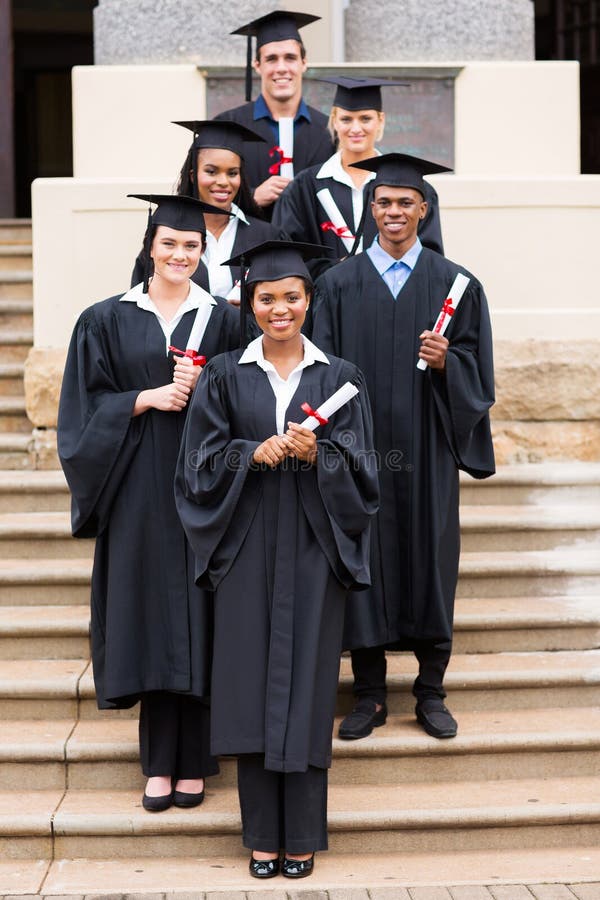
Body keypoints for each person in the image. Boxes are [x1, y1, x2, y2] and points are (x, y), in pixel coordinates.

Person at [175, 240, 378, 878]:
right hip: (246, 546)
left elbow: (368, 469)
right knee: (248, 689)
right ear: (249, 303)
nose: (279, 308)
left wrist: (324, 458)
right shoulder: (225, 375)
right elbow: (196, 463)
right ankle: (262, 836)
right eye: (267, 298)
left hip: (315, 550)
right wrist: (246, 453)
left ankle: (303, 837)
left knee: (310, 690)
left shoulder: (340, 378)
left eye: (292, 297)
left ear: (308, 301)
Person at [58, 194, 240, 813]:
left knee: (202, 616)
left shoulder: (224, 320)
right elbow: (84, 410)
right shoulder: (106, 319)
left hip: (207, 490)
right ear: (150, 246)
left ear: (203, 251)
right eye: (169, 244)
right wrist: (147, 398)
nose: (180, 255)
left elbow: (249, 398)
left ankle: (197, 762)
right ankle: (159, 765)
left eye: (191, 246)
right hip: (137, 488)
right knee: (153, 622)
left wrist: (206, 393)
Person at [311, 154, 495, 742]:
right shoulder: (335, 285)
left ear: (424, 208)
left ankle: (431, 691)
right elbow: (321, 372)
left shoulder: (457, 284)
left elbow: (481, 375)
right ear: (372, 209)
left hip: (427, 450)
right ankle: (368, 694)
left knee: (430, 561)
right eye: (384, 202)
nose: (394, 211)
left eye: (405, 202)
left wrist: (450, 365)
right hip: (360, 451)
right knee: (363, 562)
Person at [272, 76, 444, 280]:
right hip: (327, 303)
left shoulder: (412, 188)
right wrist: (337, 270)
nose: (355, 128)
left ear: (381, 120)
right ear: (334, 121)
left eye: (365, 118)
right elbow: (288, 258)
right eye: (346, 119)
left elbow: (430, 257)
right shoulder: (305, 187)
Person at [131, 120, 278, 303]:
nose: (223, 181)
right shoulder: (168, 235)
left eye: (232, 173)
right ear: (193, 175)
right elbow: (141, 302)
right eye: (211, 171)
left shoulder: (265, 236)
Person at [214, 10, 335, 219]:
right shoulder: (227, 126)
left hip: (311, 250)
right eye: (271, 59)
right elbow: (204, 194)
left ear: (303, 63)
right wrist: (251, 197)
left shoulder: (328, 131)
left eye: (290, 58)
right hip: (246, 247)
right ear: (257, 66)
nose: (281, 68)